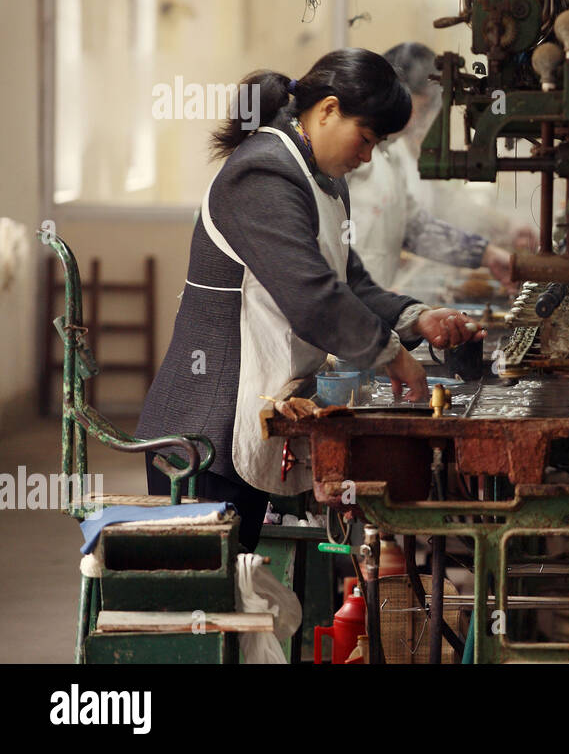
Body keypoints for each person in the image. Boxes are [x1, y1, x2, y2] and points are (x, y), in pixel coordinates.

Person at [137, 49, 483, 552]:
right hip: (204, 435)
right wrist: (392, 355)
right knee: (204, 603)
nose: (367, 157)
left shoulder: (320, 177)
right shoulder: (261, 174)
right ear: (326, 110)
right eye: (365, 139)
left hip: (255, 414)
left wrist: (417, 317)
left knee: (243, 582)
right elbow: (312, 297)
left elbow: (348, 281)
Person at [346, 42, 514, 297]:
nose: (419, 120)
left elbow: (415, 228)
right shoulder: (350, 155)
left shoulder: (390, 155)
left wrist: (485, 253)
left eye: (426, 110)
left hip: (376, 307)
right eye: (418, 108)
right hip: (346, 312)